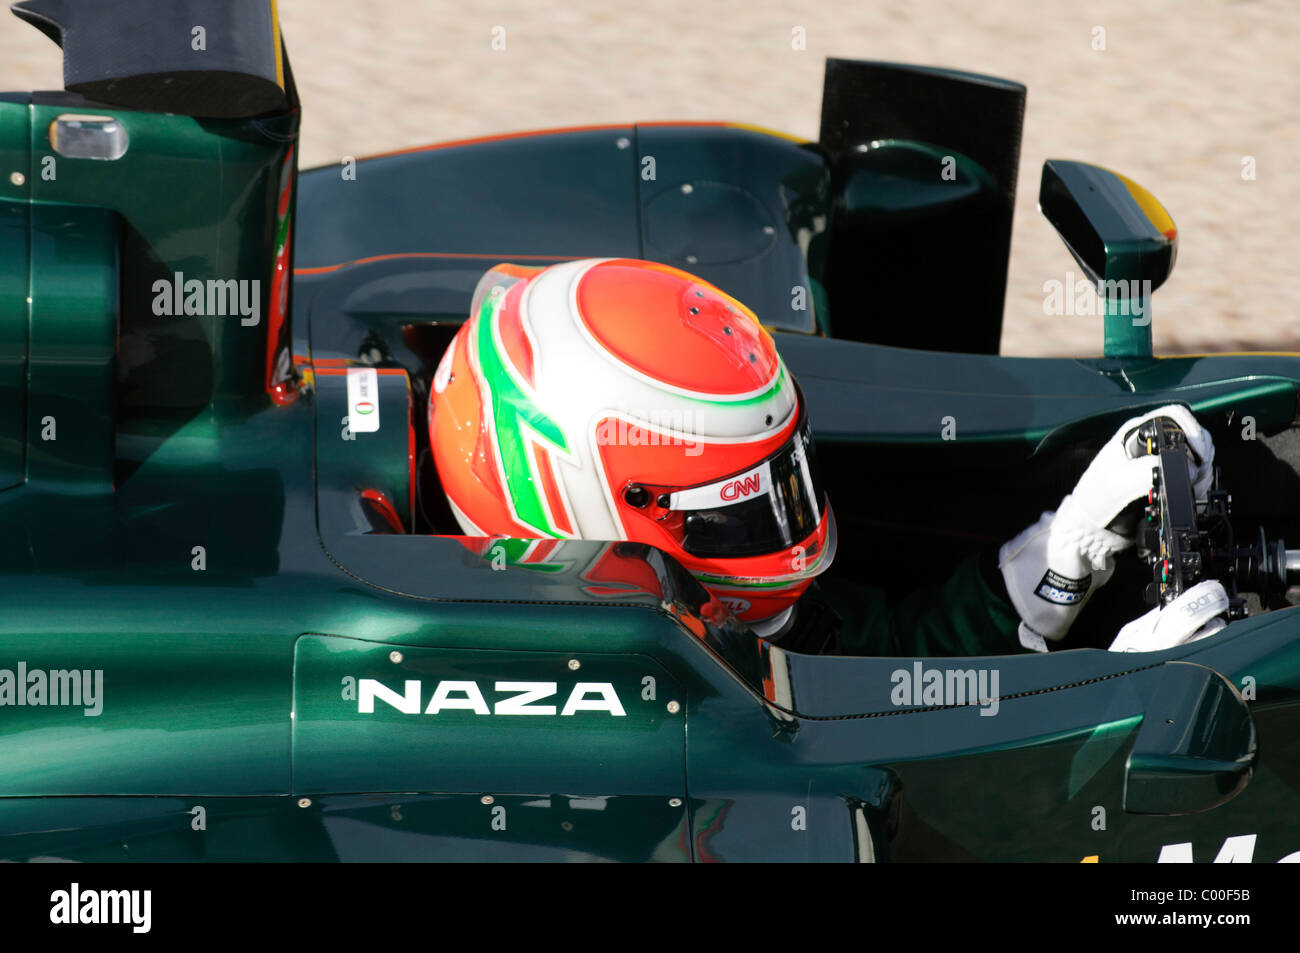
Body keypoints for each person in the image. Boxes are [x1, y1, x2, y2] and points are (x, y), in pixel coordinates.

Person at [428, 257, 1228, 656]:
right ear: (586, 511)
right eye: (737, 511)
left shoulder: (746, 615)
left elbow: (873, 660)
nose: (787, 531)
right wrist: (1112, 705)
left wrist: (1064, 553)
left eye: (785, 480)